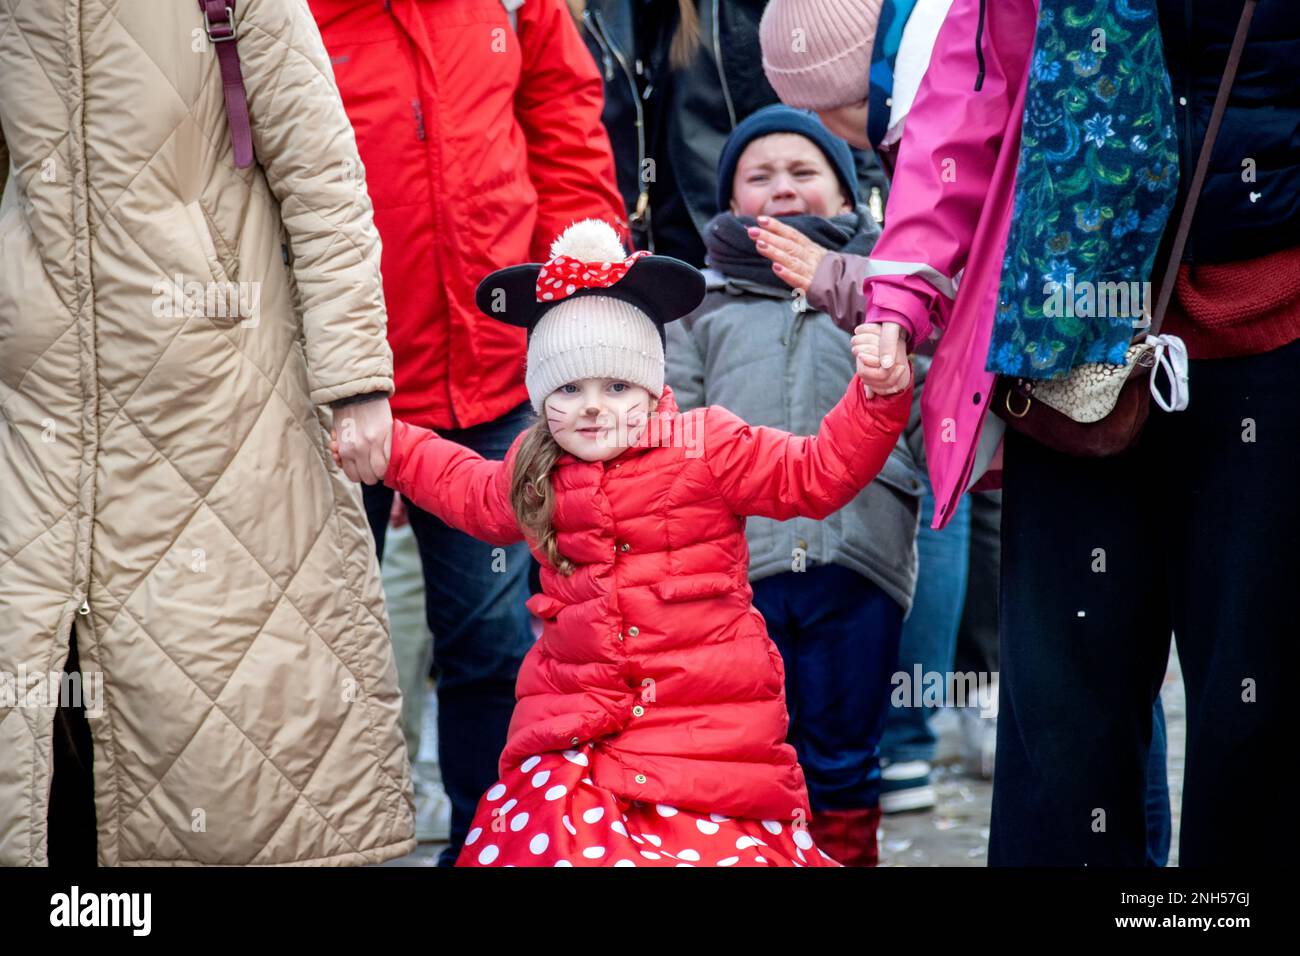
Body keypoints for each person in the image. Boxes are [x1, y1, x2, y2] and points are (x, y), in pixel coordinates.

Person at [774, 0, 1300, 865]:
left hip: (1271, 337)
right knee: (1061, 721)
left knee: (1256, 713)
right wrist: (901, 303)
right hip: (1065, 347)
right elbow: (965, 106)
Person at [336, 219, 914, 866]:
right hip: (579, 732)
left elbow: (815, 473)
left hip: (707, 737)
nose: (593, 408)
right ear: (539, 395)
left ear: (650, 386)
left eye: (616, 387)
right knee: (543, 844)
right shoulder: (538, 467)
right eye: (569, 389)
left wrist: (876, 396)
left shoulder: (708, 446)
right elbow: (466, 488)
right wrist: (396, 447)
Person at [0, 0, 413, 865]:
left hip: (225, 394)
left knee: (224, 719)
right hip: (34, 401)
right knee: (38, 717)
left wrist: (356, 381)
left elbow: (324, 173)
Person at [308, 0, 627, 866]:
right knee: (313, 653)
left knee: (491, 645)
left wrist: (579, 290)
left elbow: (564, 126)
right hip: (329, 382)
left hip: (489, 382)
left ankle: (490, 848)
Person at [664, 106, 924, 865]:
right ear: (730, 201)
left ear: (848, 196)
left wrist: (919, 472)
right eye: (760, 176)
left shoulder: (887, 293)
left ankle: (847, 853)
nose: (782, 189)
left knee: (845, 748)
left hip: (860, 560)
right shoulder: (700, 305)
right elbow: (673, 410)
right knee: (754, 748)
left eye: (804, 172)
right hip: (739, 571)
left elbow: (924, 394)